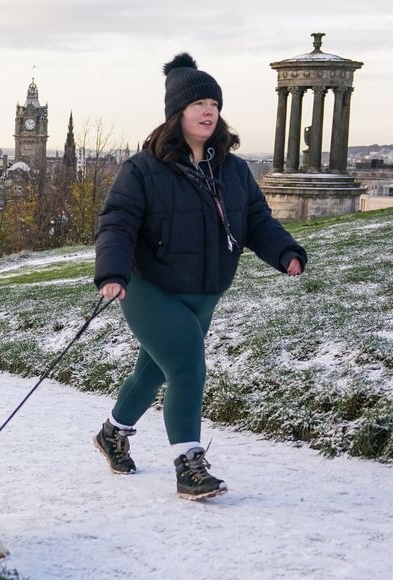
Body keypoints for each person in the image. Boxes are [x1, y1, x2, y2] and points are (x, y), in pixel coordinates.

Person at [92, 53, 306, 501]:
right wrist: (112, 272)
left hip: (205, 291)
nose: (208, 111)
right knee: (188, 365)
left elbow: (257, 221)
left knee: (153, 372)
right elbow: (117, 223)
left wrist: (284, 251)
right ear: (178, 112)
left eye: (214, 103)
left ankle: (112, 433)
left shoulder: (233, 169)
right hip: (150, 287)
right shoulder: (143, 168)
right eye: (198, 104)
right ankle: (189, 464)